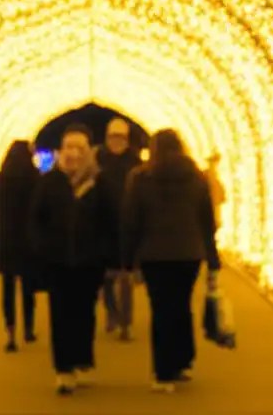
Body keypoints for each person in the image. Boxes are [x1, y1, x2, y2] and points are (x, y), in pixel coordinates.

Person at [121, 129, 220, 393]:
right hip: (189, 253)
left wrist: (129, 261)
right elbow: (207, 222)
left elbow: (132, 222)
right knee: (181, 305)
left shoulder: (141, 178)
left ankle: (163, 372)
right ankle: (182, 361)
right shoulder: (197, 178)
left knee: (161, 310)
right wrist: (213, 261)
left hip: (154, 255)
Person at [28, 123, 119, 395]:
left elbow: (111, 222)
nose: (74, 154)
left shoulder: (98, 183)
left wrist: (108, 256)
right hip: (57, 261)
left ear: (89, 152)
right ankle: (63, 369)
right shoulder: (49, 182)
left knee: (83, 312)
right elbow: (36, 220)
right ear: (60, 151)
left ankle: (80, 356)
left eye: (80, 148)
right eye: (69, 147)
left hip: (89, 262)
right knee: (59, 314)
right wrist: (41, 250)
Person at [0, 140, 41, 352]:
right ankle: (29, 328)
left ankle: (10, 332)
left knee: (7, 288)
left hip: (6, 238)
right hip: (29, 239)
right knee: (28, 286)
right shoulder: (35, 179)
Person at [95, 117, 142, 340]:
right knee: (105, 278)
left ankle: (125, 324)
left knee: (125, 278)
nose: (117, 142)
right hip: (103, 226)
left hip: (128, 226)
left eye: (121, 137)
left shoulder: (134, 161)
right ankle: (112, 312)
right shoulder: (98, 159)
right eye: (113, 137)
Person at [201, 152, 227, 230]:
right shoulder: (205, 176)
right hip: (207, 215)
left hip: (211, 216)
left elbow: (222, 198)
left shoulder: (215, 179)